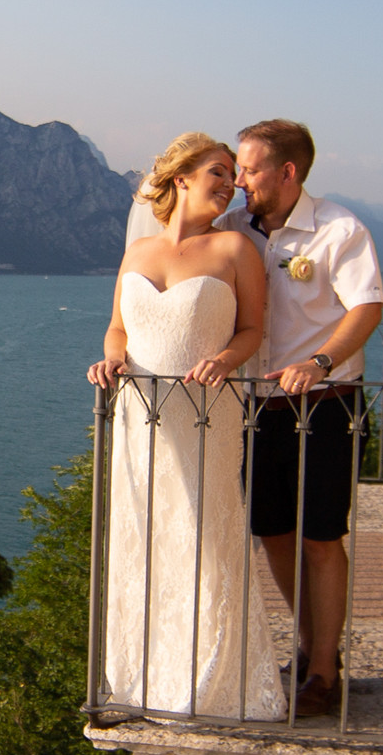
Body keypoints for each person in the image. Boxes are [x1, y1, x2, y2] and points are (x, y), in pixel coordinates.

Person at [87, 132, 286, 720]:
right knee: (144, 535)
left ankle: (214, 680)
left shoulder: (235, 250)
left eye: (233, 176)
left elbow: (253, 328)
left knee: (205, 533)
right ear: (181, 180)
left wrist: (224, 361)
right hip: (139, 415)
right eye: (218, 173)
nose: (231, 185)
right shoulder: (138, 255)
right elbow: (119, 328)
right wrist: (112, 359)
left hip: (205, 412)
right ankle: (144, 676)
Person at [220, 119, 383, 719]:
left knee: (320, 538)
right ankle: (314, 642)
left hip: (327, 406)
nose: (239, 181)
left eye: (250, 169)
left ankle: (321, 670)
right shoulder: (234, 227)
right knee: (272, 532)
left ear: (287, 173)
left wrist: (319, 362)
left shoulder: (338, 229)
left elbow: (366, 307)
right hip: (260, 408)